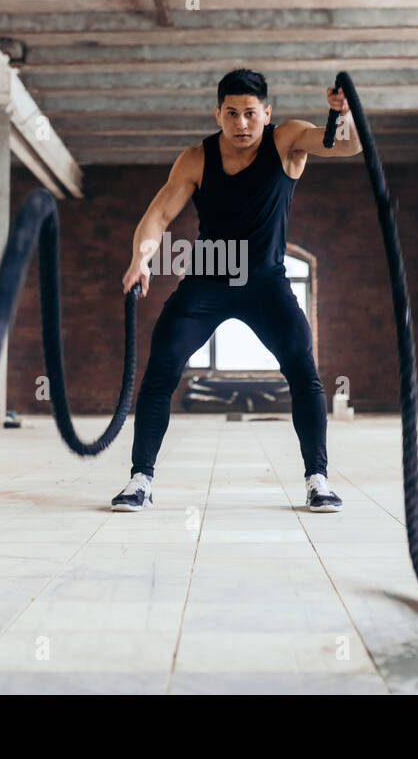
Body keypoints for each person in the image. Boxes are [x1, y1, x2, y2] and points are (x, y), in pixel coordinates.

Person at [110, 68, 360, 512]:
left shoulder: (287, 139)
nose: (242, 123)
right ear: (218, 114)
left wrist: (345, 113)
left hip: (266, 282)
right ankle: (140, 479)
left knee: (303, 370)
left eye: (250, 113)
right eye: (231, 114)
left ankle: (318, 478)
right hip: (207, 280)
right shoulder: (195, 158)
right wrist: (140, 259)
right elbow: (159, 214)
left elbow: (346, 145)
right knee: (161, 368)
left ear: (267, 113)